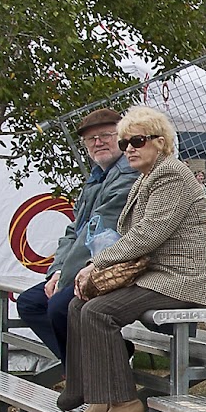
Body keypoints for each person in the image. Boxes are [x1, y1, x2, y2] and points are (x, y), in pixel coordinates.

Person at [55, 106, 206, 412]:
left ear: (161, 142)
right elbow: (132, 234)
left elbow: (147, 235)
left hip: (184, 280)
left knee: (99, 312)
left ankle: (126, 403)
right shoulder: (146, 177)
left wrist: (96, 264)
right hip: (156, 275)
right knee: (77, 304)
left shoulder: (170, 174)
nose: (128, 147)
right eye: (125, 141)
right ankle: (97, 396)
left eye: (137, 141)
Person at [15, 108, 136, 362]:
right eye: (91, 139)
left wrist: (64, 278)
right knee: (30, 303)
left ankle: (89, 373)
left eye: (105, 135)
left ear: (124, 138)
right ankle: (97, 364)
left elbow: (98, 232)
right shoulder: (97, 177)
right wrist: (57, 271)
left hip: (112, 267)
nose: (98, 142)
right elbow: (73, 231)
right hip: (83, 268)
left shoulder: (128, 175)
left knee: (59, 307)